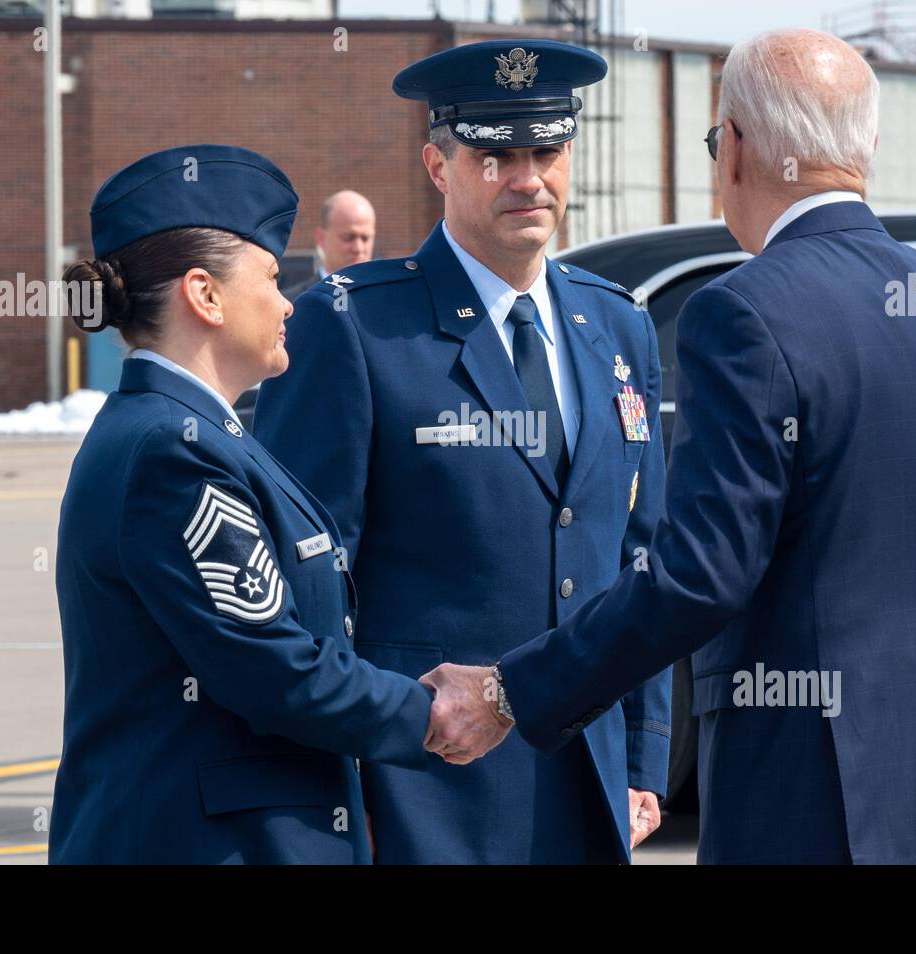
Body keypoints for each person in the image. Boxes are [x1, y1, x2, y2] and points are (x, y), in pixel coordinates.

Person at [423, 28, 916, 865]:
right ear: (866, 146)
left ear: (734, 148)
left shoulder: (743, 312)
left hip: (821, 800)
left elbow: (700, 574)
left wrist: (510, 692)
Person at [253, 40, 671, 864]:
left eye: (546, 151)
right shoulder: (355, 327)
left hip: (591, 783)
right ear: (438, 166)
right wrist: (335, 786)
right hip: (424, 794)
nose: (527, 179)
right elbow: (307, 581)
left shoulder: (616, 323)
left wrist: (644, 755)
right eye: (494, 155)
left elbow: (640, 559)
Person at [49, 144, 434, 865]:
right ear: (206, 295)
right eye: (269, 274)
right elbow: (273, 668)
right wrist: (432, 713)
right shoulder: (175, 453)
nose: (289, 299)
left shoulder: (195, 435)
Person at [280, 191, 377, 300]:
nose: (358, 248)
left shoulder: (388, 300)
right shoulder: (291, 304)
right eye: (348, 238)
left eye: (365, 238)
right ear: (321, 238)